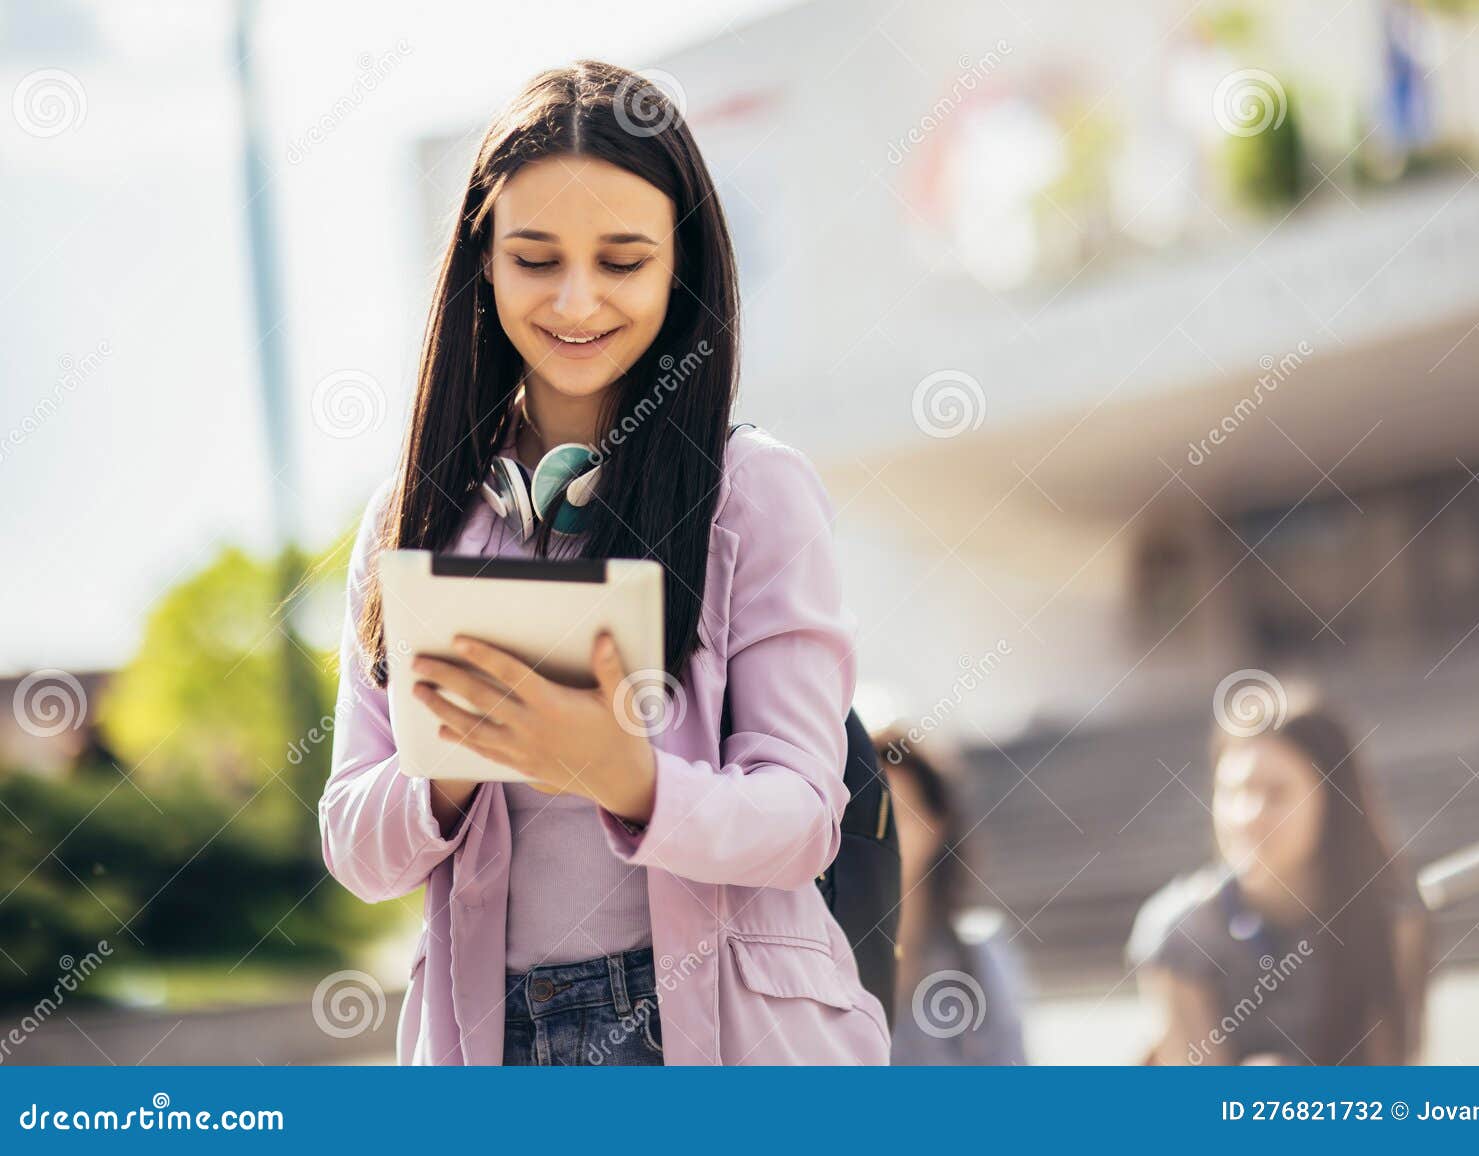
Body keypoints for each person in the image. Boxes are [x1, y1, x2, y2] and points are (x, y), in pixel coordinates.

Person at [317, 61, 890, 1067]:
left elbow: (803, 817)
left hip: (726, 1036)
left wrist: (624, 775)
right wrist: (441, 780)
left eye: (622, 260)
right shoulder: (413, 518)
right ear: (481, 267)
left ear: (682, 267)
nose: (576, 299)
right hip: (496, 1040)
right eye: (535, 258)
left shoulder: (754, 491)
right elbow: (354, 844)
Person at [1128, 689, 1429, 1065]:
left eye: (1276, 793)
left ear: (1333, 801)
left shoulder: (1393, 916)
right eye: (1234, 791)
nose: (1248, 815)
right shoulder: (1181, 933)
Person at [876, 726, 1029, 1064]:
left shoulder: (979, 953)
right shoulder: (821, 955)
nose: (881, 837)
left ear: (935, 826)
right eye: (868, 818)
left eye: (899, 818)